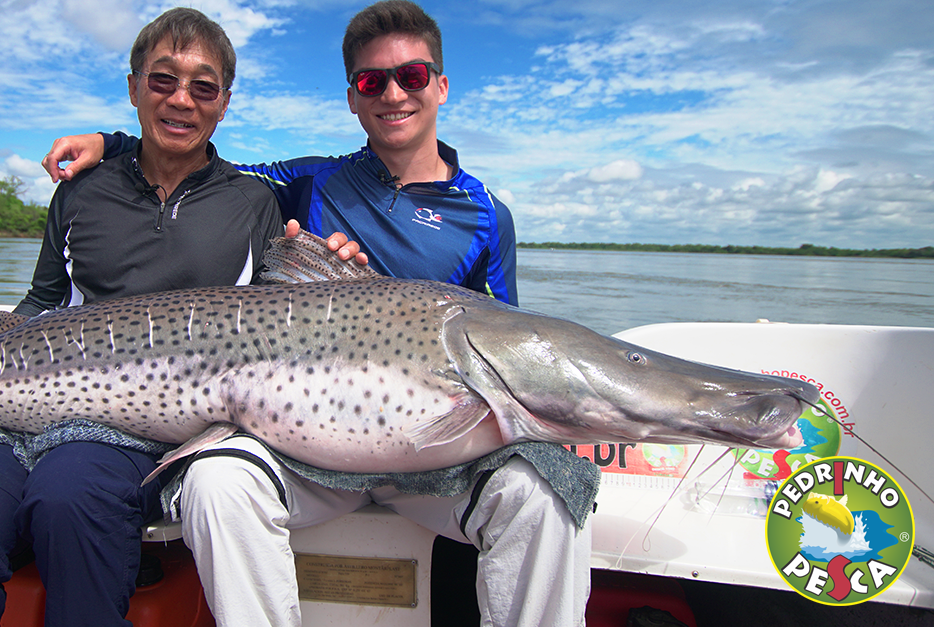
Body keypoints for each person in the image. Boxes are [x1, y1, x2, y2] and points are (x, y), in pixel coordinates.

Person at [42, 2, 600, 627]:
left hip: (436, 452)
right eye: (371, 82)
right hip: (308, 449)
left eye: (412, 76)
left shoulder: (487, 215)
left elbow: (504, 344)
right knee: (216, 484)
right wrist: (114, 142)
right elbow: (194, 155)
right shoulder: (311, 182)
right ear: (352, 99)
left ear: (440, 86)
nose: (393, 93)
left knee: (544, 494)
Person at [0, 9, 288, 627]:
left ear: (224, 103)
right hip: (20, 416)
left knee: (68, 503)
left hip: (138, 428)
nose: (181, 100)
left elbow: (275, 328)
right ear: (133, 88)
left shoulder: (254, 201)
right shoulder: (81, 188)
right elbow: (40, 302)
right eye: (162, 81)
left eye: (202, 87)